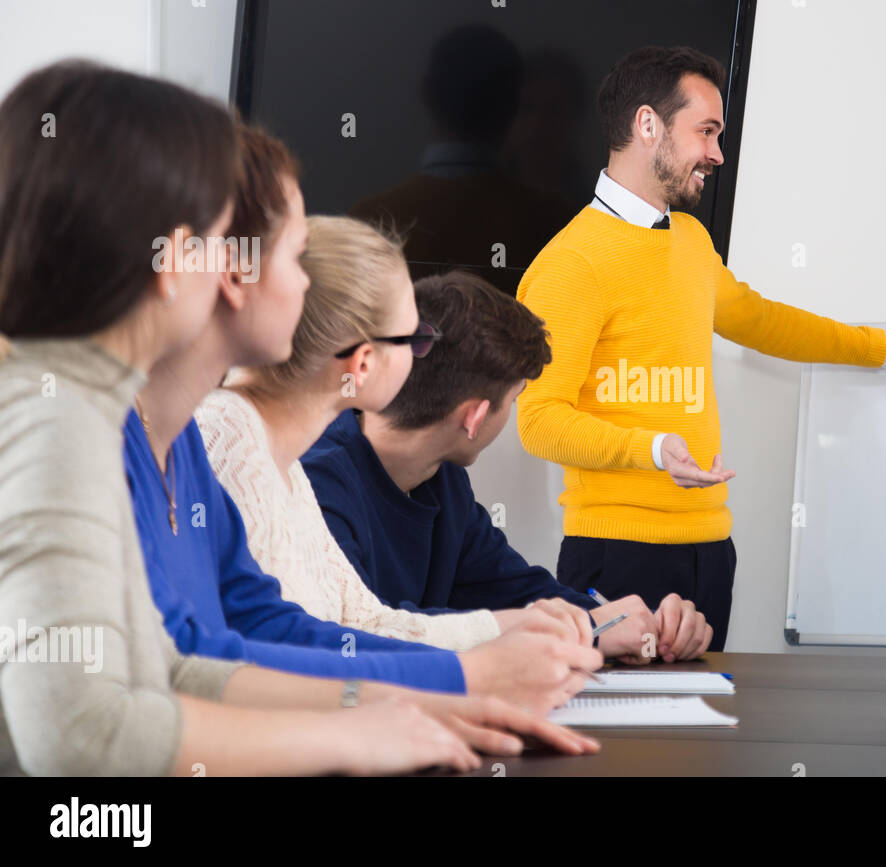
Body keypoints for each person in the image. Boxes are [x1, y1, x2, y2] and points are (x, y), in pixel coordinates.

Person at [0, 61, 594, 776]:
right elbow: (82, 738)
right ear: (171, 261)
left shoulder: (109, 415)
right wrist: (363, 733)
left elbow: (181, 661)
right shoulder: (56, 417)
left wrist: (413, 704)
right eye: (226, 236)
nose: (238, 268)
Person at [128, 122, 600, 713]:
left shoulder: (256, 456)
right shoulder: (223, 432)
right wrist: (463, 678)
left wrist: (493, 646)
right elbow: (230, 660)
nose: (303, 287)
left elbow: (322, 622)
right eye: (416, 337)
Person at [514, 45, 886, 650]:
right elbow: (538, 421)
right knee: (621, 744)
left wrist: (881, 348)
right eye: (706, 131)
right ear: (648, 126)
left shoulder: (691, 240)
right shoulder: (570, 263)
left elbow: (761, 320)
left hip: (709, 554)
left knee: (703, 739)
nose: (717, 153)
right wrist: (653, 448)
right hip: (618, 559)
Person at [198, 215, 591, 651]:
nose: (425, 354)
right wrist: (490, 650)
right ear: (363, 362)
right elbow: (295, 646)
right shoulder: (237, 439)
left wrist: (557, 624)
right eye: (413, 338)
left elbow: (360, 620)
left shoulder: (285, 464)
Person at [304, 270, 713, 664]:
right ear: (475, 417)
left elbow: (518, 592)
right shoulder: (314, 483)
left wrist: (638, 624)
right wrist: (582, 629)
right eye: (515, 399)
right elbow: (360, 633)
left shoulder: (442, 482)